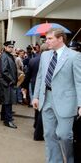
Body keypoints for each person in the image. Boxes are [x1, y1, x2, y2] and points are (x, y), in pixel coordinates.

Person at [33, 28, 81, 163]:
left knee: (64, 135)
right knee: (49, 135)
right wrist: (36, 96)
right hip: (46, 99)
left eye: (50, 39)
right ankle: (54, 160)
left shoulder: (74, 56)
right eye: (46, 39)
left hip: (66, 101)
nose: (46, 41)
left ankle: (71, 159)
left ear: (60, 39)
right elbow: (40, 77)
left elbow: (79, 81)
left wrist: (80, 104)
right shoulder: (45, 55)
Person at [0, 40, 18, 129]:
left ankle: (4, 116)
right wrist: (12, 80)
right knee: (8, 101)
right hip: (6, 82)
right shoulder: (4, 56)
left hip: (7, 82)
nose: (11, 48)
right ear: (5, 47)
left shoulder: (9, 55)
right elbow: (4, 71)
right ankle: (8, 121)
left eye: (12, 47)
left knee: (6, 101)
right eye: (9, 47)